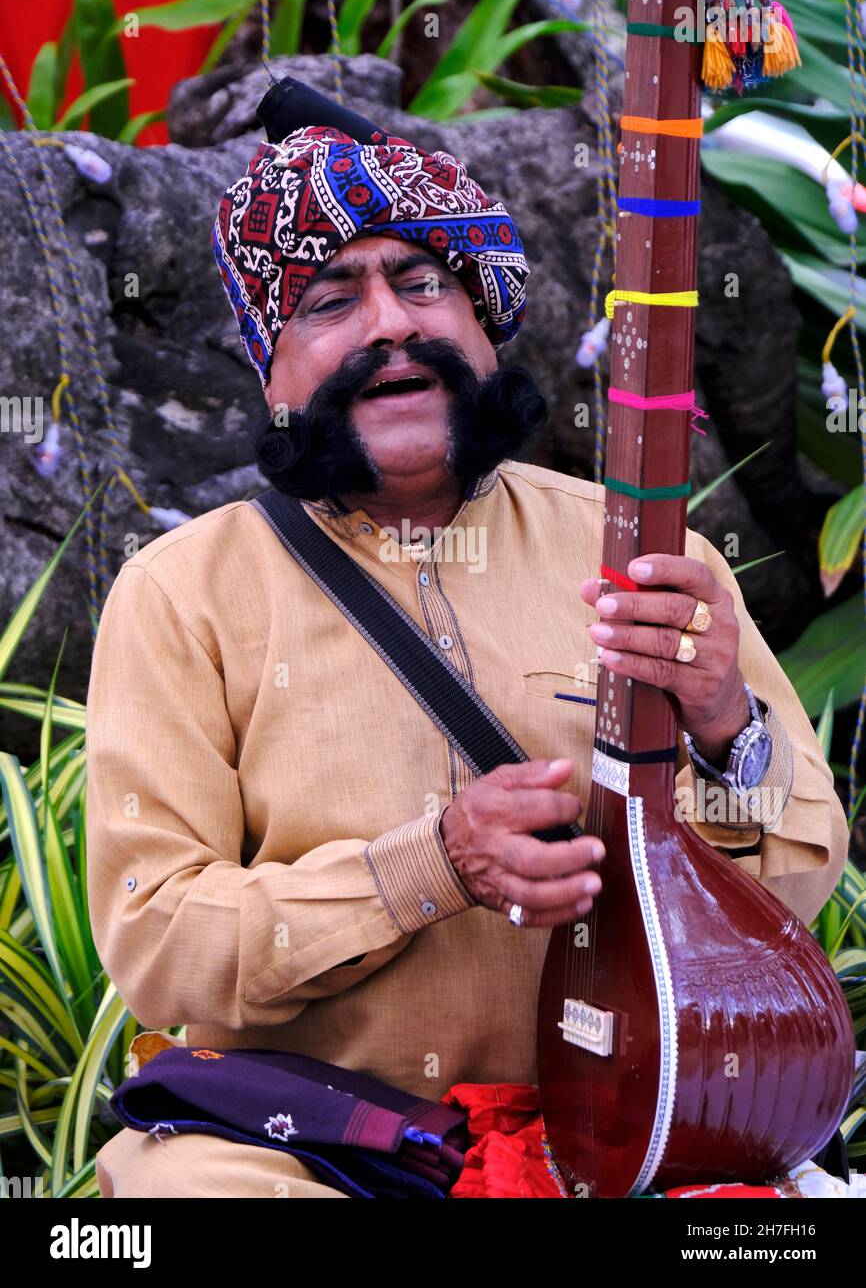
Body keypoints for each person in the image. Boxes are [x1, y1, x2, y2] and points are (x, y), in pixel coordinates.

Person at [86, 115, 849, 1199]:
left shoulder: (640, 550)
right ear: (272, 371)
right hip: (313, 1150)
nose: (390, 326)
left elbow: (798, 881)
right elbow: (159, 943)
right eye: (330, 300)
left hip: (619, 1140)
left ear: (486, 327)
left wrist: (726, 724)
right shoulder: (177, 595)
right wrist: (431, 864)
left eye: (423, 281)